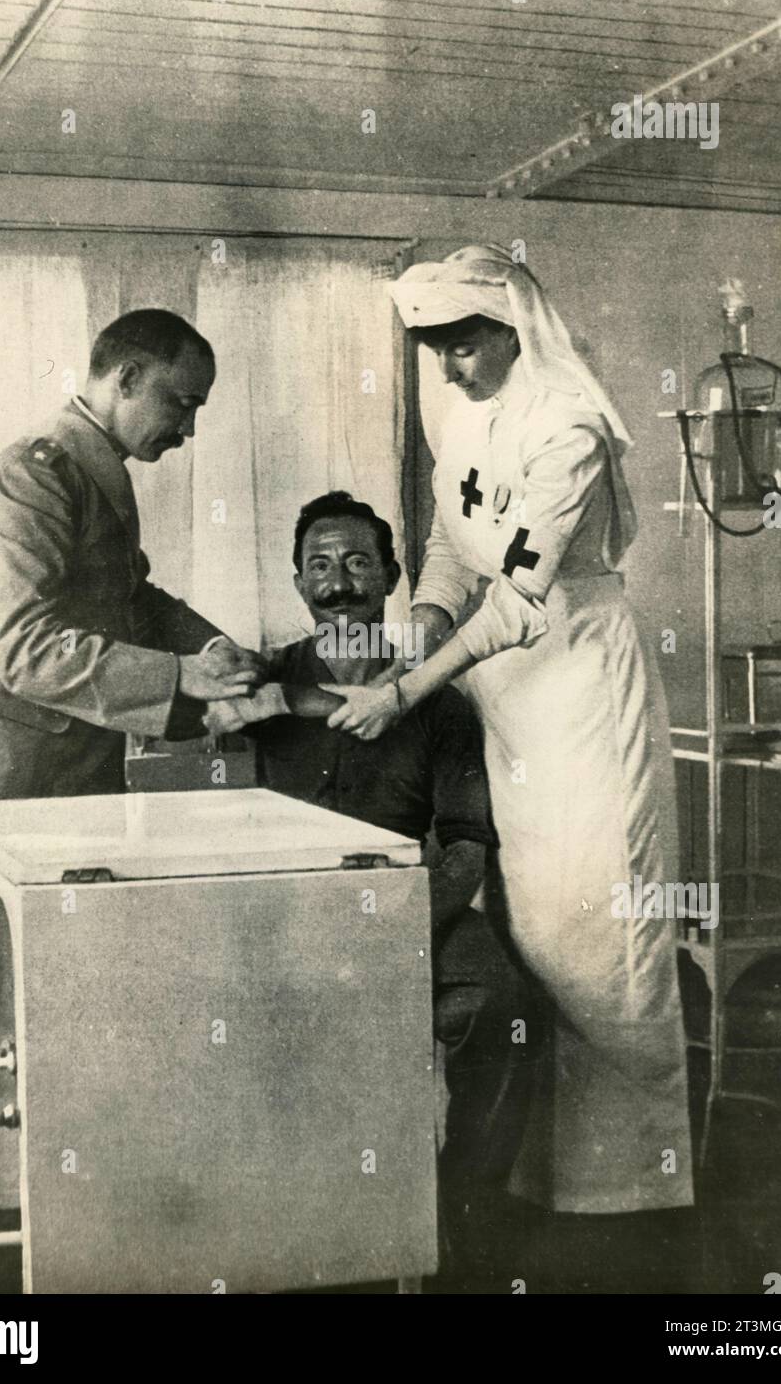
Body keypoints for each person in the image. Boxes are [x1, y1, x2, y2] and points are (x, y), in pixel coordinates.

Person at [321, 246, 693, 1217]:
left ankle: (632, 1197)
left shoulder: (568, 427)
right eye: (433, 350)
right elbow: (452, 544)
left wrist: (410, 685)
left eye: (463, 346)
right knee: (531, 931)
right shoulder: (464, 414)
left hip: (579, 696)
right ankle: (546, 1178)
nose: (446, 367)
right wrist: (427, 620)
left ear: (513, 329)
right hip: (506, 707)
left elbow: (523, 596)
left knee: (601, 935)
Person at [230, 490, 538, 1276]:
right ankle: (266, 1220)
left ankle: (460, 1205)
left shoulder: (436, 700)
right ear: (297, 582)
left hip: (406, 915)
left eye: (359, 563)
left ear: (395, 576)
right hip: (281, 916)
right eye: (320, 567)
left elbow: (466, 847)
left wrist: (402, 931)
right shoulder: (256, 690)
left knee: (502, 1005)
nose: (339, 585)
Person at [0, 309, 267, 803]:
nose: (189, 428)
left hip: (77, 766)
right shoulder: (33, 478)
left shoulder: (95, 470)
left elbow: (131, 595)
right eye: (181, 402)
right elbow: (26, 650)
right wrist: (181, 673)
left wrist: (212, 646)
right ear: (127, 378)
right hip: (10, 778)